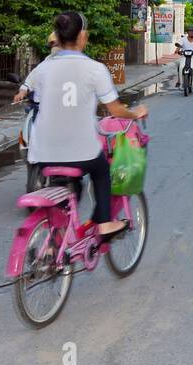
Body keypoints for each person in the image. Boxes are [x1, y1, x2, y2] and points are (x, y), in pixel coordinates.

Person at [15, 12, 148, 238]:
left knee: (68, 185)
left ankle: (58, 238)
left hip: (42, 152)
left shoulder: (43, 68)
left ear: (56, 37)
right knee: (101, 171)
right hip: (81, 151)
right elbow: (115, 110)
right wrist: (135, 114)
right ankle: (104, 224)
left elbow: (28, 86)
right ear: (83, 36)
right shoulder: (95, 69)